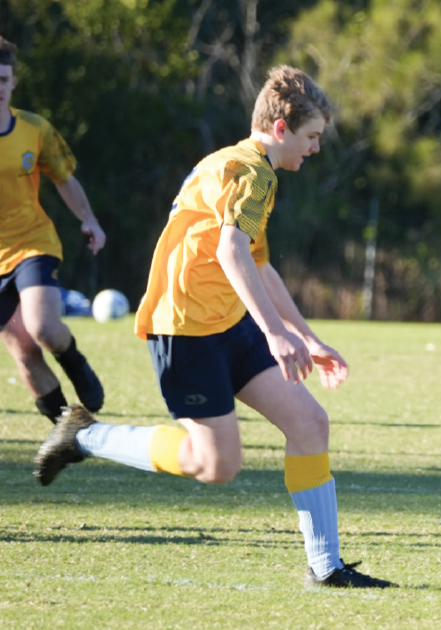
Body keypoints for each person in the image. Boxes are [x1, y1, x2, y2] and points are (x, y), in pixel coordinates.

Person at [33, 65, 392, 588]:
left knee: (310, 423)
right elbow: (230, 251)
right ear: (281, 128)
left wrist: (306, 337)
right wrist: (276, 334)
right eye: (312, 136)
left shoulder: (243, 166)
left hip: (227, 323)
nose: (315, 148)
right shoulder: (252, 173)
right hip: (185, 331)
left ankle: (326, 567)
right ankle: (86, 435)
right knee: (216, 465)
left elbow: (258, 265)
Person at [0, 36, 106, 422]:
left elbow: (64, 178)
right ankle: (69, 429)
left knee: (43, 328)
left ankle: (73, 360)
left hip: (31, 242)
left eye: (3, 79)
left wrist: (88, 219)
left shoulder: (33, 128)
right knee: (24, 351)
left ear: (13, 82)